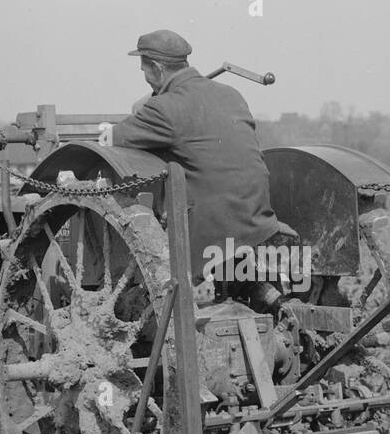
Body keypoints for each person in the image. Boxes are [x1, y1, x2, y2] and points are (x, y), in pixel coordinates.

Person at [111, 29, 291, 309]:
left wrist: (106, 131)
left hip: (208, 229)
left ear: (157, 69)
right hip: (255, 216)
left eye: (144, 70)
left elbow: (113, 140)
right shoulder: (231, 94)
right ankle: (256, 288)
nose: (145, 77)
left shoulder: (163, 108)